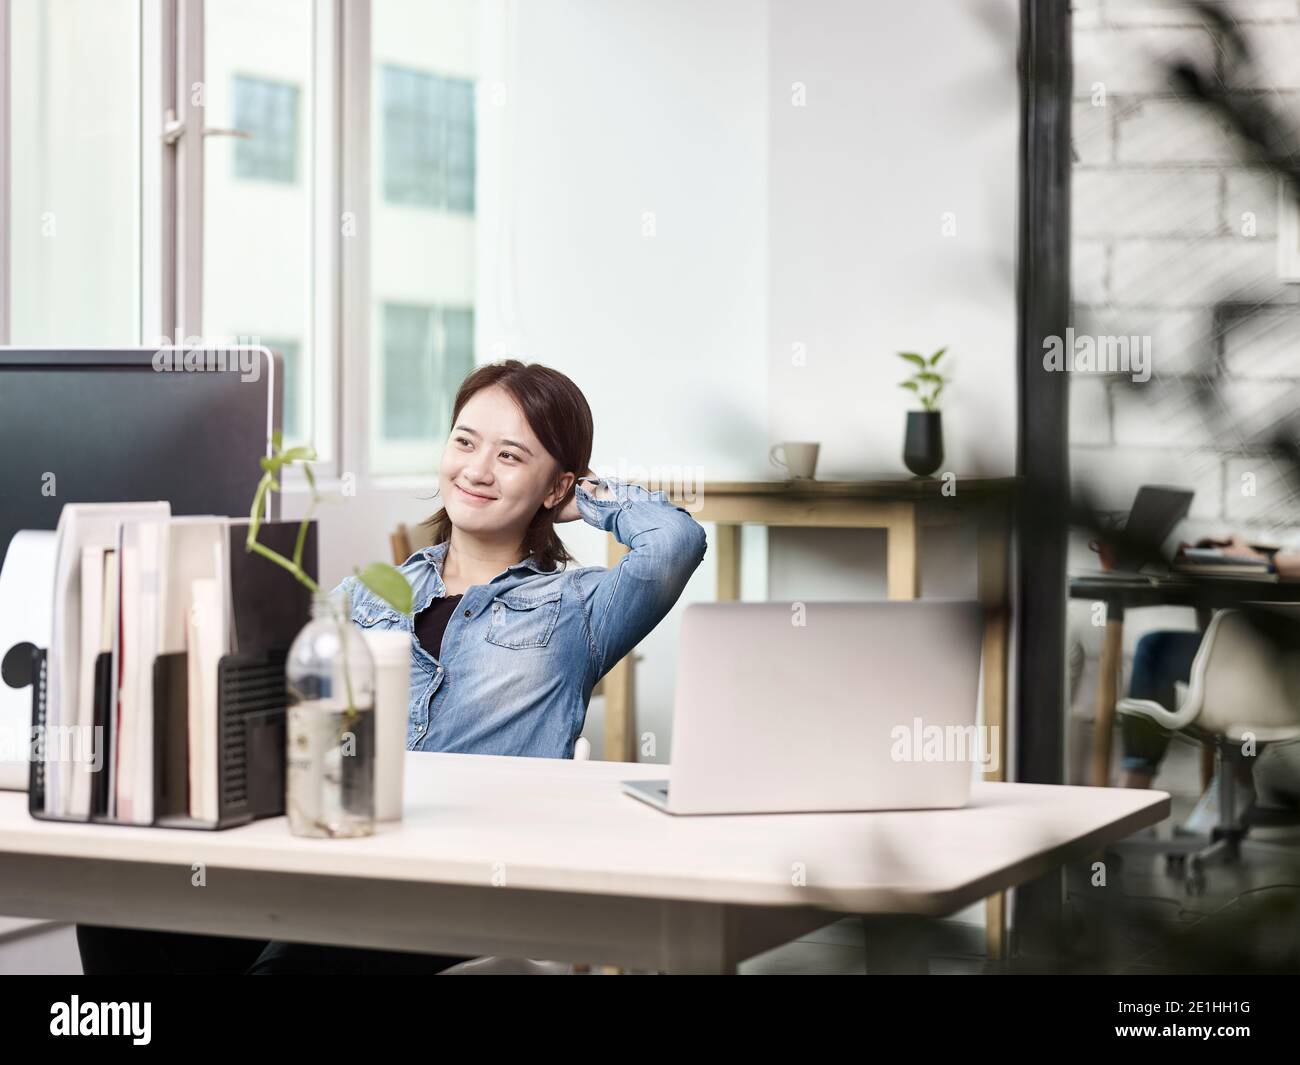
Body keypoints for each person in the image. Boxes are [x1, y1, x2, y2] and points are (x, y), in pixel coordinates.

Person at [78, 359, 708, 975]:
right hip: (339, 861)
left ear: (554, 487)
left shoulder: (579, 608)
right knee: (118, 912)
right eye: (465, 442)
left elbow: (675, 543)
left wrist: (588, 499)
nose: (477, 469)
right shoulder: (369, 593)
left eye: (511, 456)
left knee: (297, 962)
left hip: (460, 884)